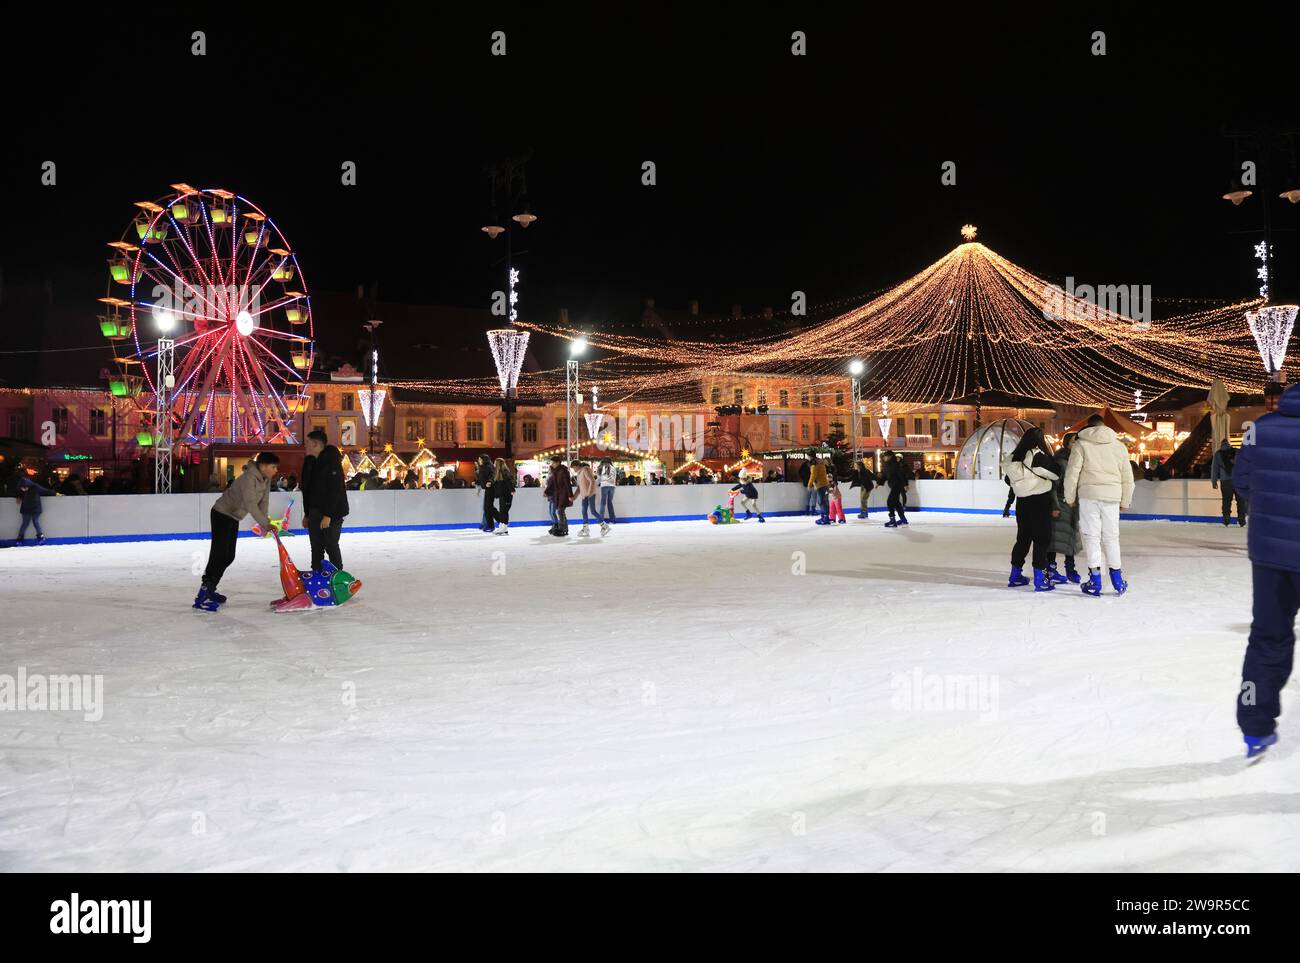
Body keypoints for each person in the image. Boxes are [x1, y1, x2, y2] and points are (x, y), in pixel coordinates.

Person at [1233, 383, 1300, 759]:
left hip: (1271, 555)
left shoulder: (1259, 428)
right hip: (1273, 551)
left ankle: (1255, 728)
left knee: (1267, 639)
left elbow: (1242, 483)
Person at [194, 452, 279, 611]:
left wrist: (265, 523)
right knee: (220, 554)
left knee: (228, 556)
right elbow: (251, 504)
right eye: (273, 467)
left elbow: (264, 503)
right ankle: (204, 592)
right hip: (221, 514)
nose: (275, 470)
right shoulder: (248, 478)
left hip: (233, 517)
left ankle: (210, 588)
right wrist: (265, 524)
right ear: (263, 466)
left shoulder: (265, 480)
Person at [1064, 414, 1134, 597]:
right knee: (1111, 538)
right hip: (1112, 496)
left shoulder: (1081, 444)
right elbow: (1128, 477)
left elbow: (1072, 474)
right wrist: (1125, 500)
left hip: (1089, 496)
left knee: (1092, 537)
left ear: (1088, 428)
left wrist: (1069, 497)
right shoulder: (1119, 447)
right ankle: (1118, 581)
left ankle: (1095, 581)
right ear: (1104, 427)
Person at [1001, 427, 1060, 591]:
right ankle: (1040, 579)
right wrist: (1044, 482)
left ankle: (1015, 575)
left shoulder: (1014, 458)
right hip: (1040, 500)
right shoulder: (1037, 456)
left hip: (1022, 502)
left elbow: (1008, 480)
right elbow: (1056, 473)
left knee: (1023, 539)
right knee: (1042, 539)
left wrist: (1023, 484)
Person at [301, 429, 349, 573]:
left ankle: (338, 576)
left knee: (330, 544)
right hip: (314, 511)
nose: (305, 445)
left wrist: (328, 515)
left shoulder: (332, 461)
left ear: (315, 444)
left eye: (308, 442)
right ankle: (317, 573)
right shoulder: (308, 463)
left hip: (333, 512)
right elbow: (306, 491)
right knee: (316, 545)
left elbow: (336, 490)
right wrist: (307, 513)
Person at [1046, 432, 1081, 583]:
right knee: (1054, 540)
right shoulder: (1061, 462)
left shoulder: (1076, 461)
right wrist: (1055, 506)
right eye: (1073, 442)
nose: (1076, 445)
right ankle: (1051, 569)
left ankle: (1070, 568)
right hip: (1061, 505)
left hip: (1072, 505)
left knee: (1070, 540)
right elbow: (1052, 486)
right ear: (1067, 444)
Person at [1211, 439, 1247, 527]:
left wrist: (1214, 481)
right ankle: (1242, 520)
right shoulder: (1237, 451)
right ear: (1229, 444)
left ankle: (1226, 520)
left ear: (1221, 445)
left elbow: (1214, 469)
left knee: (1226, 501)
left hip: (1225, 481)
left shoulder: (1218, 454)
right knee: (1241, 501)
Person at [15, 475, 55, 545]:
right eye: (21, 488)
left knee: (35, 522)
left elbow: (45, 491)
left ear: (27, 485)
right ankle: (20, 538)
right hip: (25, 508)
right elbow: (18, 493)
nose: (23, 489)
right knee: (24, 523)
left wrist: (56, 493)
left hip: (36, 508)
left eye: (24, 488)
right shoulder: (21, 489)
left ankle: (41, 537)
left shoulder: (35, 487)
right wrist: (18, 496)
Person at [573, 460, 604, 536]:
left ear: (577, 466)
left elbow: (592, 481)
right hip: (584, 495)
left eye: (573, 467)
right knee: (584, 511)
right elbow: (579, 487)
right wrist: (574, 497)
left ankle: (604, 526)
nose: (573, 469)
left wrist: (589, 493)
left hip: (590, 494)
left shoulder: (585, 470)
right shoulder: (579, 474)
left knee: (593, 511)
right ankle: (585, 528)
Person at [543, 457, 573, 537]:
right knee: (561, 512)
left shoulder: (563, 471)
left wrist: (570, 495)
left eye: (553, 463)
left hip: (564, 494)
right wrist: (546, 492)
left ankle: (562, 529)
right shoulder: (555, 472)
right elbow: (551, 483)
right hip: (558, 495)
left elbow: (567, 484)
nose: (551, 464)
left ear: (558, 462)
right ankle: (564, 529)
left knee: (560, 511)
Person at [883, 450, 912, 527]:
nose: (884, 458)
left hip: (897, 485)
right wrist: (879, 482)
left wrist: (905, 484)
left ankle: (892, 520)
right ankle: (903, 519)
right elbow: (885, 475)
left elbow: (901, 474)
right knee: (896, 503)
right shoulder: (887, 465)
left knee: (890, 501)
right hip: (893, 485)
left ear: (890, 457)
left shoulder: (895, 464)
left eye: (885, 456)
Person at [490, 457, 516, 534]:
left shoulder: (504, 472)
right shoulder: (499, 473)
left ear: (498, 464)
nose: (494, 464)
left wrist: (512, 490)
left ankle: (504, 528)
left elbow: (509, 482)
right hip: (502, 495)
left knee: (504, 511)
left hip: (506, 495)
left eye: (495, 463)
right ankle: (502, 527)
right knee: (502, 511)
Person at [808, 456, 830, 524]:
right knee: (823, 501)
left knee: (821, 501)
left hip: (820, 485)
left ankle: (825, 518)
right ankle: (824, 517)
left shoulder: (814, 466)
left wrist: (809, 484)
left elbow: (813, 476)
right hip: (824, 484)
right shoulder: (821, 464)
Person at [475, 454, 494, 532]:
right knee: (487, 508)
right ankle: (488, 524)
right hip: (487, 489)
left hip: (490, 489)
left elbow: (492, 476)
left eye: (480, 459)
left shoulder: (488, 467)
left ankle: (491, 525)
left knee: (488, 508)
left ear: (483, 460)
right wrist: (476, 483)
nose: (479, 461)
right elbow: (480, 479)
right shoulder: (482, 468)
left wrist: (489, 482)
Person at [595, 457, 617, 526]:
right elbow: (614, 478)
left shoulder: (600, 468)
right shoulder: (613, 468)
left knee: (603, 503)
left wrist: (594, 485)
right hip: (612, 486)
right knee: (609, 502)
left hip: (604, 486)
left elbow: (598, 479)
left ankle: (600, 520)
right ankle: (613, 519)